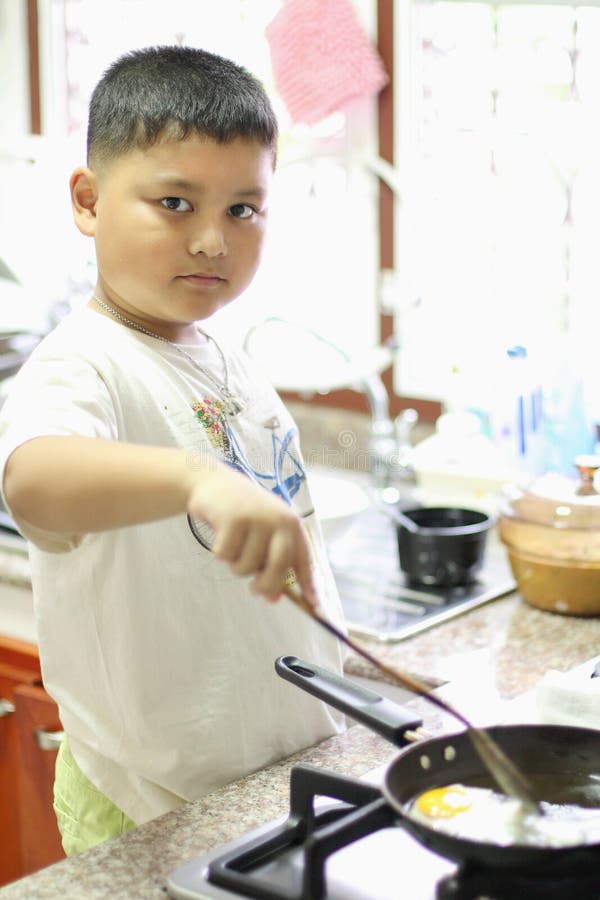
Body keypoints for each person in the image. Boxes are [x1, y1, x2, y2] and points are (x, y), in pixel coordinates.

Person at [0, 45, 346, 856]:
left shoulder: (224, 355)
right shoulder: (83, 361)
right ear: (88, 201)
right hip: (149, 803)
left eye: (242, 210)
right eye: (175, 203)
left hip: (264, 785)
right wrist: (195, 478)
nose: (211, 243)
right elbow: (34, 479)